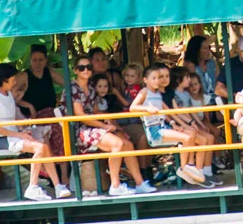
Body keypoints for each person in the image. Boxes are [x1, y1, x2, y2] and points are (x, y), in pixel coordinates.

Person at [0, 63, 71, 202]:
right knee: (39, 147)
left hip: (14, 134)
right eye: (12, 79)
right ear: (4, 80)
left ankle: (58, 186)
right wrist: (20, 135)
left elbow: (15, 117)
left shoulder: (8, 94)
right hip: (2, 139)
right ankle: (32, 186)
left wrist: (27, 125)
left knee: (44, 146)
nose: (15, 82)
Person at [70, 58, 153, 196]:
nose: (86, 70)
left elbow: (96, 110)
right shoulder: (73, 88)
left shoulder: (91, 87)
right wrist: (103, 125)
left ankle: (140, 183)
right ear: (75, 70)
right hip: (82, 129)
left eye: (89, 67)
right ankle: (115, 185)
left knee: (127, 144)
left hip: (96, 125)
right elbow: (81, 116)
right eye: (82, 67)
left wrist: (109, 121)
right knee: (118, 144)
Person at [130, 64, 205, 186]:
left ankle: (189, 165)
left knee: (191, 133)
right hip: (155, 130)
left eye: (158, 78)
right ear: (145, 80)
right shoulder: (144, 92)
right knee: (186, 138)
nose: (157, 81)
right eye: (153, 78)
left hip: (164, 126)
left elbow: (166, 112)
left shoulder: (158, 94)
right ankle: (184, 167)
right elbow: (132, 108)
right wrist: (147, 109)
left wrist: (173, 123)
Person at [167, 66, 217, 183]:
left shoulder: (185, 93)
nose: (189, 80)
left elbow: (191, 110)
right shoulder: (175, 95)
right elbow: (179, 113)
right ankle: (198, 172)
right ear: (179, 80)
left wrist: (201, 124)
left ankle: (207, 170)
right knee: (203, 140)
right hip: (183, 126)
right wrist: (190, 124)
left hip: (191, 124)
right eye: (187, 77)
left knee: (210, 137)